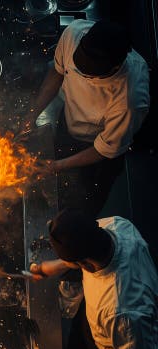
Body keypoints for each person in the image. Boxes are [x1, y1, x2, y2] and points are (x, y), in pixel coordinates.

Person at [29, 209, 158, 349]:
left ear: (85, 264)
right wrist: (53, 267)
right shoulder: (117, 226)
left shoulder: (122, 311)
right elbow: (85, 248)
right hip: (99, 327)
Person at [22, 20, 150, 216]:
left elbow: (104, 150)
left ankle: (76, 223)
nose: (81, 73)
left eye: (90, 73)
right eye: (79, 65)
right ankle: (56, 200)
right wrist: (31, 115)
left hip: (99, 151)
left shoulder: (129, 100)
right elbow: (57, 73)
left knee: (85, 199)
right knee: (61, 169)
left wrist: (56, 166)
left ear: (116, 65)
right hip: (69, 120)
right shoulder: (73, 33)